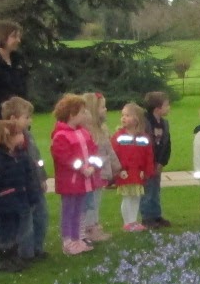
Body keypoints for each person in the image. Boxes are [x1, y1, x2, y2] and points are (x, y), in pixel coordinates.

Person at [1, 96, 48, 261]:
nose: (30, 121)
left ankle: (37, 247)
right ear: (13, 118)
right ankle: (26, 253)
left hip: (34, 182)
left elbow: (37, 158)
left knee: (41, 216)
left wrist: (42, 177)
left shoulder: (29, 136)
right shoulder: (8, 138)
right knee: (25, 221)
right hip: (22, 186)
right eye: (26, 117)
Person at [50, 93, 98, 255]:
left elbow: (92, 150)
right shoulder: (61, 135)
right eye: (82, 112)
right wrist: (82, 168)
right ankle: (68, 240)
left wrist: (93, 165)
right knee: (69, 210)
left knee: (79, 209)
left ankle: (77, 238)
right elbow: (64, 157)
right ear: (72, 114)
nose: (85, 115)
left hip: (83, 180)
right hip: (70, 181)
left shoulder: (83, 132)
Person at [0, 120, 32, 270]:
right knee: (7, 229)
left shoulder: (19, 155)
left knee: (16, 227)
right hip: (5, 198)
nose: (22, 137)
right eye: (18, 134)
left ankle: (14, 254)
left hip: (18, 196)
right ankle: (5, 258)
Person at [76, 92, 116, 244]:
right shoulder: (89, 133)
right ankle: (89, 228)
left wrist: (116, 166)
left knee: (96, 201)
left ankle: (93, 225)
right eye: (102, 107)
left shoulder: (102, 130)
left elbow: (109, 150)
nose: (105, 110)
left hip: (101, 172)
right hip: (93, 174)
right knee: (90, 202)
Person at [112, 103, 157, 230]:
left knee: (136, 197)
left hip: (138, 173)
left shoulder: (144, 138)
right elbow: (114, 154)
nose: (123, 118)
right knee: (127, 197)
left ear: (136, 119)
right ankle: (128, 222)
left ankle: (133, 221)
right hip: (125, 173)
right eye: (123, 115)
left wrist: (148, 171)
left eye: (127, 115)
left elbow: (149, 155)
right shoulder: (118, 136)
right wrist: (118, 170)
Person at [139, 92, 173, 230]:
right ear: (157, 108)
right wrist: (149, 163)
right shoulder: (145, 123)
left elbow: (167, 143)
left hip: (158, 163)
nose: (169, 107)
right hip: (147, 163)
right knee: (147, 189)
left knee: (156, 189)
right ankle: (147, 217)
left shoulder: (164, 124)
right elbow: (143, 144)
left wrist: (161, 162)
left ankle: (156, 215)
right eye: (166, 105)